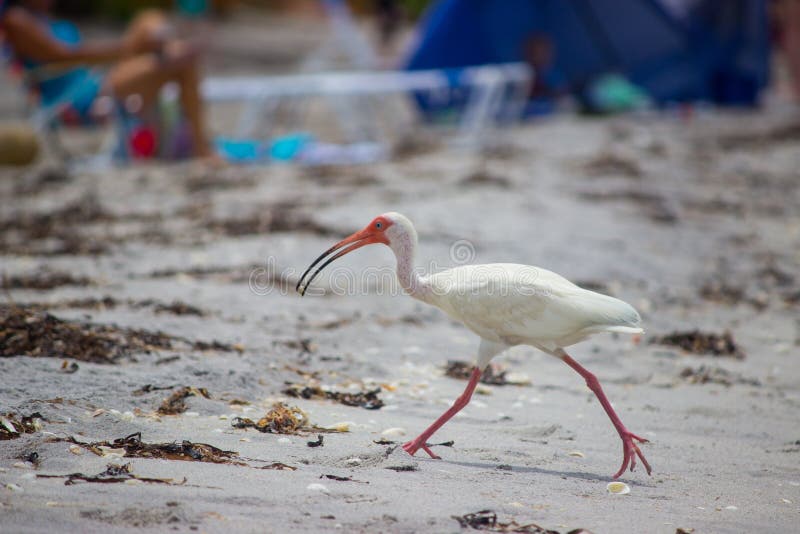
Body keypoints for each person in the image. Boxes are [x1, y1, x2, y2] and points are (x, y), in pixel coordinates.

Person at [0, 0, 215, 159]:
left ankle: (169, 47)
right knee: (180, 63)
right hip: (78, 99)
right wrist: (125, 49)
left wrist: (128, 49)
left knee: (149, 19)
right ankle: (201, 148)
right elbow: (64, 56)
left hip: (96, 81)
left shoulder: (43, 20)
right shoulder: (16, 20)